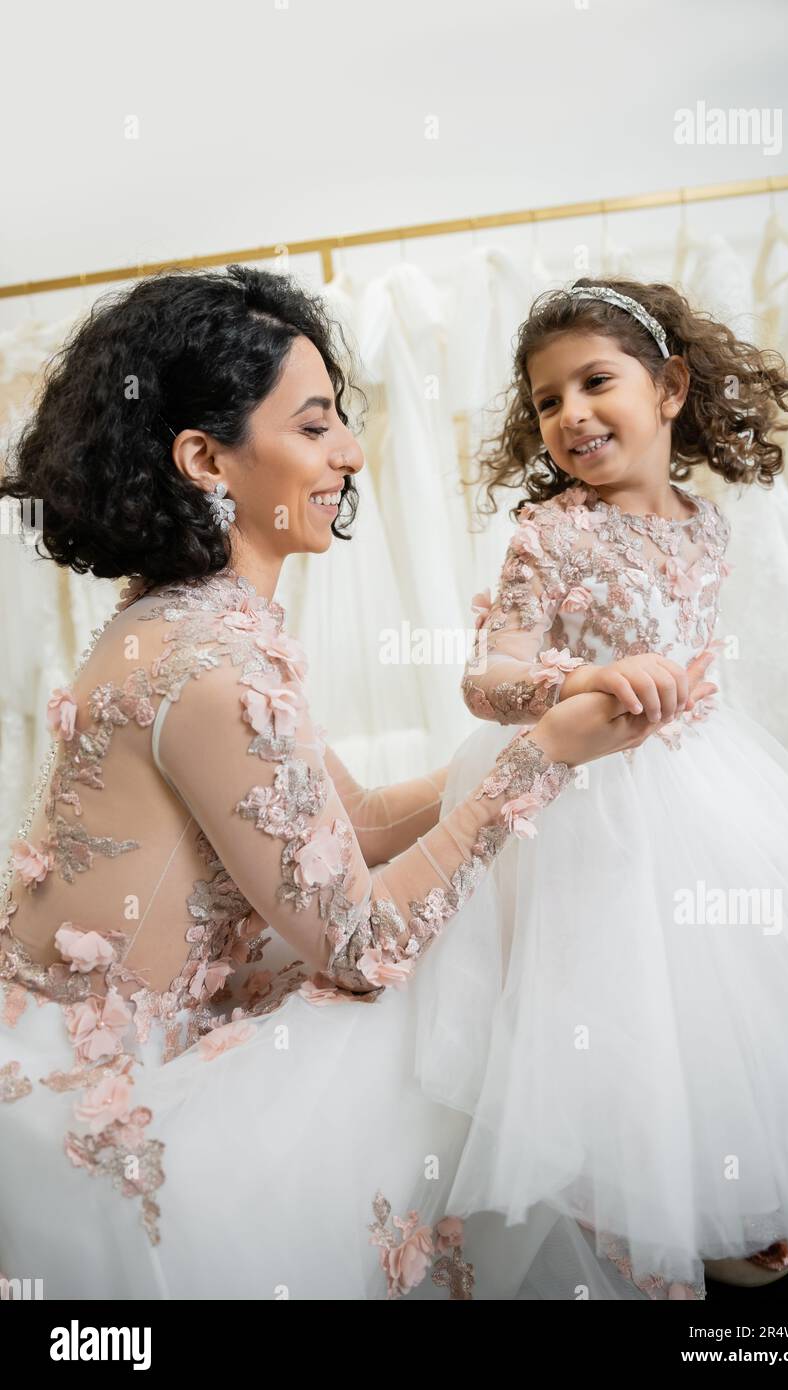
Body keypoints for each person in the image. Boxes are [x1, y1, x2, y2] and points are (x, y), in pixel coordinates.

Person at [0, 266, 715, 1300]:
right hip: (98, 1127)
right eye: (315, 425)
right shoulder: (208, 665)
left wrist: (546, 731)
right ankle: (639, 1220)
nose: (348, 453)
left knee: (481, 947)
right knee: (451, 984)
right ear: (206, 459)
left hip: (123, 1041)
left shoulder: (196, 618)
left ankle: (653, 1207)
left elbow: (362, 820)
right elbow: (367, 944)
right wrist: (545, 754)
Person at [411, 277, 788, 1300]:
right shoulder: (550, 532)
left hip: (699, 783)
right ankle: (623, 1224)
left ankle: (704, 1201)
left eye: (593, 381)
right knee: (594, 1021)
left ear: (667, 387)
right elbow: (485, 679)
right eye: (544, 400)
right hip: (579, 803)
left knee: (704, 1011)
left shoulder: (705, 525)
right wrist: (581, 678)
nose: (568, 413)